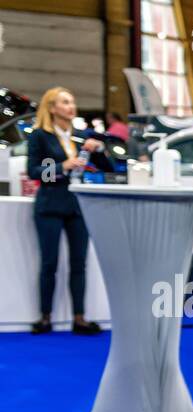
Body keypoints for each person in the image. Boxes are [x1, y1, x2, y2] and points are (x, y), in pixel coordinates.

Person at [26, 87, 113, 335]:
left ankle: (79, 317)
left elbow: (107, 167)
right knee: (49, 263)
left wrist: (99, 150)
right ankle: (45, 317)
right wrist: (62, 166)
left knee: (79, 263)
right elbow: (34, 172)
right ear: (52, 107)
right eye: (65, 102)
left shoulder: (82, 136)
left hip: (77, 206)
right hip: (50, 205)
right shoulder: (40, 136)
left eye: (72, 101)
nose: (71, 106)